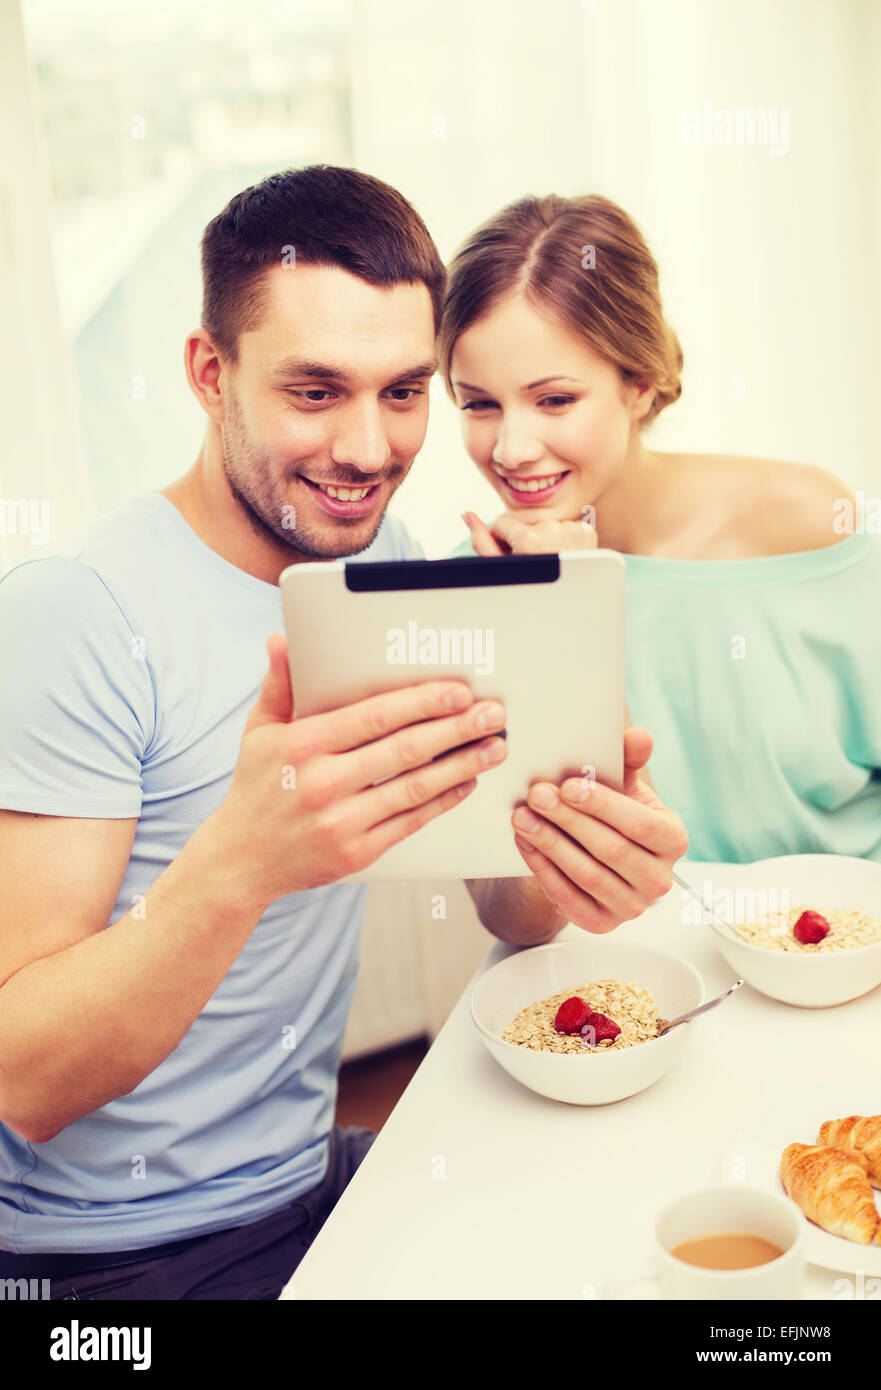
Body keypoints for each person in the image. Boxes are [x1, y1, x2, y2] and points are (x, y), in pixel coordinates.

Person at [0, 167, 688, 1301]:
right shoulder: (77, 613)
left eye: (405, 391)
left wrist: (565, 823)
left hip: (311, 1181)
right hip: (111, 1259)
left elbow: (504, 902)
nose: (369, 449)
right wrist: (239, 865)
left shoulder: (388, 567)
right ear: (207, 374)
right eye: (314, 392)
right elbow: (23, 1074)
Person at [441, 192, 881, 865]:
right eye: (478, 404)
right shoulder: (471, 584)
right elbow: (513, 914)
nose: (510, 448)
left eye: (554, 400)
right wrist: (562, 603)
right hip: (621, 965)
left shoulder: (807, 522)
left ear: (639, 383)